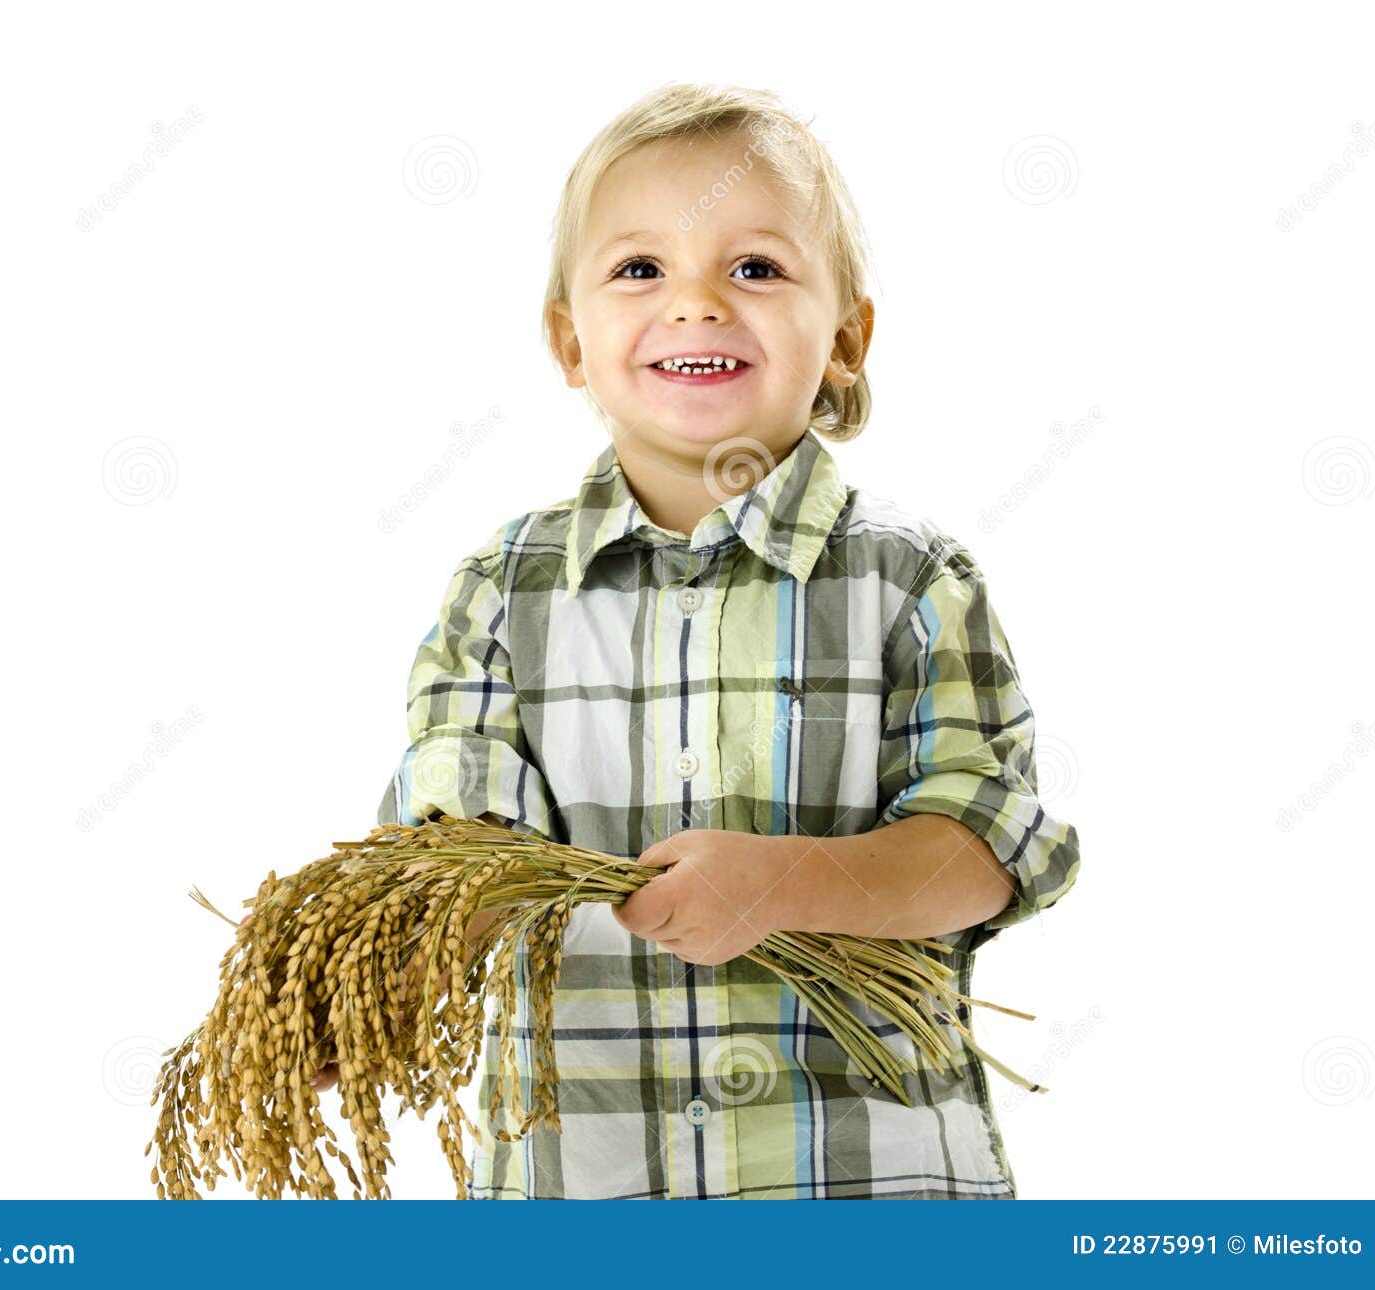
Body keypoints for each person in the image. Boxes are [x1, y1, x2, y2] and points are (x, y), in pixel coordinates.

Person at [374, 82, 1081, 1199]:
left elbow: (985, 848)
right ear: (571, 340)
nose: (696, 305)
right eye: (638, 270)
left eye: (753, 269)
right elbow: (455, 832)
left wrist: (788, 884)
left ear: (844, 335)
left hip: (866, 1188)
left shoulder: (909, 578)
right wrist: (401, 944)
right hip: (584, 1188)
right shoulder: (502, 591)